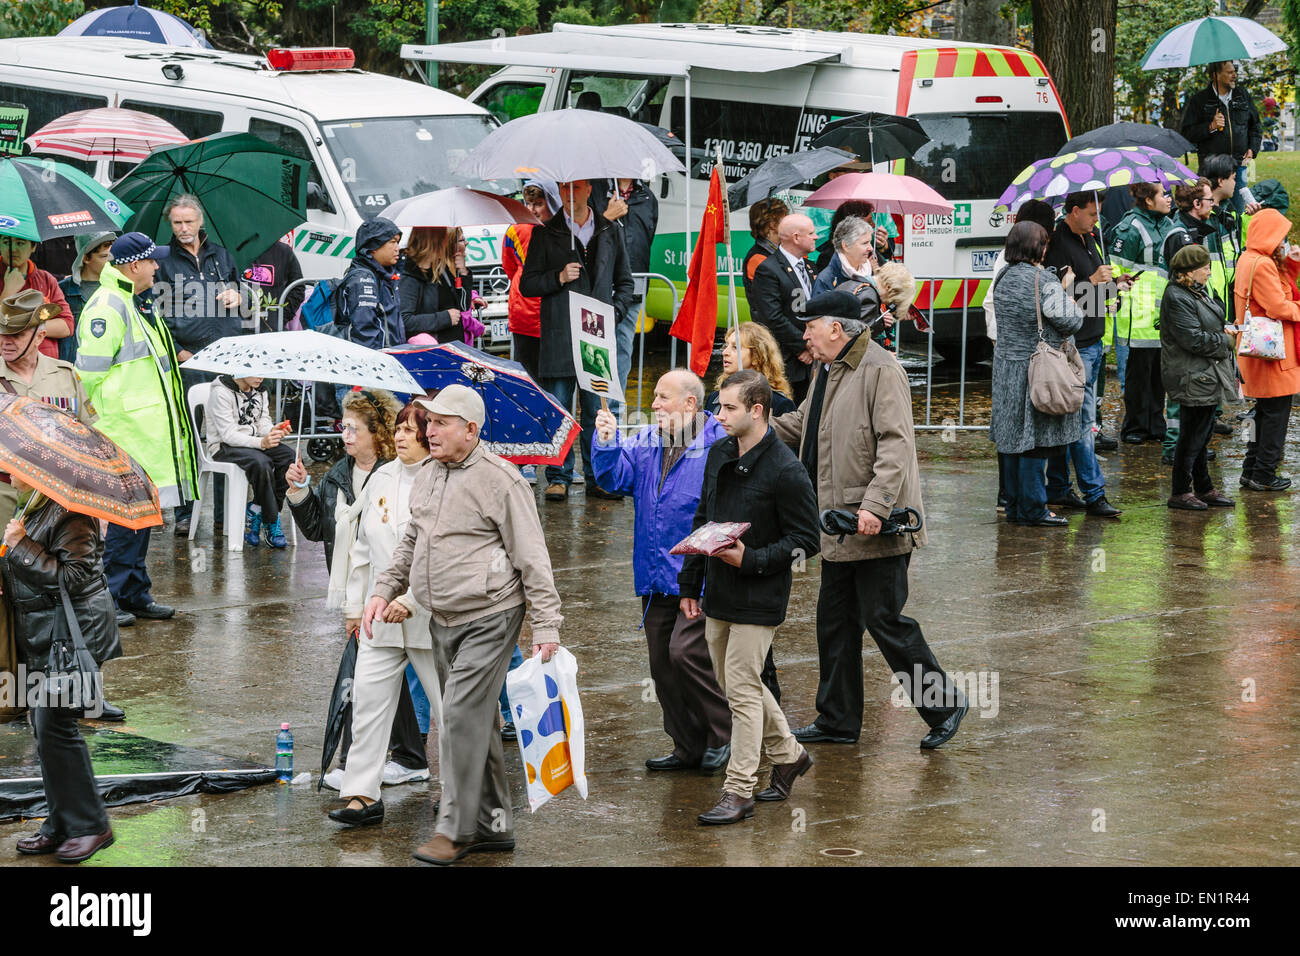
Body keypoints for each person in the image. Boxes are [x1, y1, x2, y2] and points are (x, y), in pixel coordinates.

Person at [364, 385, 565, 865]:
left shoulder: (503, 481)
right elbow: (411, 541)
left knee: (455, 717)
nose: (429, 431)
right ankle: (495, 826)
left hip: (491, 615)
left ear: (470, 430)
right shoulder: (431, 473)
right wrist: (382, 589)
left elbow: (532, 558)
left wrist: (546, 625)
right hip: (443, 617)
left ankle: (452, 829)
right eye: (427, 422)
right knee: (478, 724)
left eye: (440, 423)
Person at [770, 290, 967, 750]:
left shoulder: (881, 369)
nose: (805, 335)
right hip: (839, 525)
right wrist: (751, 427)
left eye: (810, 325)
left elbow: (896, 444)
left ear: (836, 328)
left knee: (884, 619)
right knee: (834, 623)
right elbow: (804, 424)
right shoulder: (828, 368)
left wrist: (875, 507)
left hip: (877, 523)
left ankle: (944, 703)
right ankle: (837, 720)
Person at [680, 370, 819, 825]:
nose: (718, 416)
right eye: (719, 407)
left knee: (740, 689)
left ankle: (739, 790)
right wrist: (690, 582)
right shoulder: (720, 451)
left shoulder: (786, 469)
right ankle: (790, 754)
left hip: (760, 595)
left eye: (728, 408)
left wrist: (754, 560)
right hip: (719, 590)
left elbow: (806, 540)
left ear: (757, 411)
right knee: (735, 682)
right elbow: (705, 516)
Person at [591, 370, 732, 774]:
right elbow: (613, 479)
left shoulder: (717, 445)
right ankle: (687, 744)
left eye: (663, 398)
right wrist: (605, 440)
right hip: (654, 575)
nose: (653, 405)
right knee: (661, 665)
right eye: (654, 397)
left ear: (690, 404)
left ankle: (724, 734)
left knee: (684, 652)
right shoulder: (648, 441)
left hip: (698, 576)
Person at [286, 389, 428, 788]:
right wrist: (299, 491)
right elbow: (318, 529)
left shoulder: (395, 473)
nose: (345, 435)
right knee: (373, 674)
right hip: (357, 593)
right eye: (342, 427)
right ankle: (398, 760)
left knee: (371, 676)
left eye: (353, 428)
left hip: (394, 594)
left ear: (375, 432)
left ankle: (371, 762)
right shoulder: (336, 475)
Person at [328, 401, 444, 827]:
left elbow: (438, 552)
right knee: (369, 702)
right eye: (397, 428)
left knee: (446, 708)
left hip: (428, 616)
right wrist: (355, 607)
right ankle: (361, 793)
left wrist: (411, 599)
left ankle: (452, 792)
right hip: (379, 614)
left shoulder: (441, 479)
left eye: (411, 430)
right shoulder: (382, 477)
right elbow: (362, 549)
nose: (401, 436)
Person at [76, 233, 197, 625]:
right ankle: (111, 595)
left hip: (145, 432)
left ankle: (134, 593)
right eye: (151, 262)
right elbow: (87, 377)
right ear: (133, 267)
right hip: (125, 431)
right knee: (127, 521)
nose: (157, 267)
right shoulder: (109, 306)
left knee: (143, 518)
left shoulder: (137, 302)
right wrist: (107, 421)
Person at [4, 474, 121, 864]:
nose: (10, 476)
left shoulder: (73, 514)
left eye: (15, 471)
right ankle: (62, 823)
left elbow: (72, 577)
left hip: (74, 635)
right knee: (45, 729)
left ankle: (92, 825)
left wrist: (21, 546)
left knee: (57, 725)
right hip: (45, 634)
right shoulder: (38, 504)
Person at [518, 178, 634, 502]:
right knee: (560, 408)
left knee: (597, 409)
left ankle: (599, 476)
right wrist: (557, 277)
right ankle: (559, 476)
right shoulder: (545, 232)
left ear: (588, 191)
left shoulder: (611, 230)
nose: (569, 195)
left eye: (576, 188)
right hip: (559, 334)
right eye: (563, 188)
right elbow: (527, 284)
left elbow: (624, 282)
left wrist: (614, 314)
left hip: (596, 332)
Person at [152, 195, 243, 537]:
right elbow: (154, 314)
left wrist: (239, 297)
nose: (184, 229)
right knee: (188, 437)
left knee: (226, 436)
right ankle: (185, 512)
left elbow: (243, 297)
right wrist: (176, 352)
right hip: (188, 359)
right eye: (177, 223)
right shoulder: (162, 261)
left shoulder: (222, 256)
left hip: (225, 357)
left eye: (189, 222)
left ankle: (223, 514)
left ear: (200, 220)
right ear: (170, 224)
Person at [989, 222, 1086, 527]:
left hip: (1006, 366)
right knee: (1034, 441)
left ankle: (1016, 506)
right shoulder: (1043, 280)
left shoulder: (1003, 276)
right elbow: (1070, 321)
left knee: (1012, 438)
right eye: (1044, 244)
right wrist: (1068, 294)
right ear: (1037, 247)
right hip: (1037, 368)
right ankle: (1035, 509)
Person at [1042, 192, 1123, 519]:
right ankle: (1094, 491)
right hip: (1074, 345)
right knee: (1081, 421)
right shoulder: (1060, 244)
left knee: (1070, 419)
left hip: (1093, 339)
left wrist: (1112, 291)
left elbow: (1093, 292)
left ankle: (1059, 487)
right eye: (1091, 214)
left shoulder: (1090, 238)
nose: (1096, 220)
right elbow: (1058, 300)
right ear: (1073, 211)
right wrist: (1092, 281)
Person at [985, 200, 1056, 512]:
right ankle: (1017, 499)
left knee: (1014, 429)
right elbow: (1069, 317)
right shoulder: (1016, 267)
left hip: (1015, 354)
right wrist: (999, 339)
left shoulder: (1022, 262)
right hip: (1021, 356)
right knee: (1018, 431)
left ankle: (1014, 498)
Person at [1158, 244, 1237, 510]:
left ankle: (1204, 487)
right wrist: (1225, 340)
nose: (1209, 271)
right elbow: (1191, 339)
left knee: (1202, 434)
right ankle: (1180, 491)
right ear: (1189, 271)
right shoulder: (1177, 296)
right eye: (1205, 267)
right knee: (1192, 435)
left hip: (1205, 372)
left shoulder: (1197, 292)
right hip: (1191, 374)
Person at [1233, 208, 1300, 491]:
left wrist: (1291, 262)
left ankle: (1252, 470)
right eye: (1282, 236)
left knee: (1262, 413)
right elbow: (1278, 305)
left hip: (1258, 348)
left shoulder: (1249, 258)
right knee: (1276, 415)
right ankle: (1263, 473)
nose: (1284, 241)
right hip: (1273, 352)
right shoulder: (1263, 265)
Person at [1159, 179, 1224, 466]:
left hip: (1196, 318)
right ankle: (1175, 448)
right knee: (1182, 398)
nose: (1214, 205)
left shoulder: (1195, 230)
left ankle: (1190, 449)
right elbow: (1181, 280)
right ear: (1197, 204)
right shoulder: (1181, 234)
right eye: (1210, 200)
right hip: (1182, 326)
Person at [1111, 182, 1175, 445]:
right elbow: (1116, 271)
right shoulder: (1130, 228)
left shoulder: (1167, 224)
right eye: (1163, 194)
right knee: (1138, 372)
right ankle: (1135, 426)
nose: (1168, 198)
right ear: (1148, 200)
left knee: (1159, 373)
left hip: (1161, 311)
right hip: (1137, 313)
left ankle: (1155, 424)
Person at [205, 373, 295, 548]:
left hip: (251, 443)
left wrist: (273, 430)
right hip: (223, 446)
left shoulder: (260, 390)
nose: (261, 377)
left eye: (263, 372)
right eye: (256, 372)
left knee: (288, 457)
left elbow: (262, 422)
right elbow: (228, 434)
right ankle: (271, 521)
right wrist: (261, 443)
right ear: (239, 370)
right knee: (262, 463)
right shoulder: (221, 392)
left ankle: (256, 510)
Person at [594, 178, 659, 395]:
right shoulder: (595, 190)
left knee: (623, 351)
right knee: (595, 355)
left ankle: (615, 418)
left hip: (633, 288)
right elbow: (582, 239)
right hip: (598, 287)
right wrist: (607, 218)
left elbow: (646, 240)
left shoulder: (648, 197)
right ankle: (596, 412)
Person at [750, 213, 819, 403]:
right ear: (796, 238)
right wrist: (803, 345)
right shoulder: (769, 270)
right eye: (811, 233)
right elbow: (772, 317)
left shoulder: (811, 267)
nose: (816, 237)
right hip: (788, 360)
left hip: (812, 358)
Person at [1180, 61, 1263, 214]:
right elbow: (1187, 133)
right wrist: (1210, 127)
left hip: (1239, 167)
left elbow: (1256, 126)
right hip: (1211, 170)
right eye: (1229, 72)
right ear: (1215, 75)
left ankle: (1235, 236)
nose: (1234, 75)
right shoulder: (1199, 100)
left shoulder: (1242, 95)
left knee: (1238, 212)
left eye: (1234, 71)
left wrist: (1252, 148)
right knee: (1210, 213)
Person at [811, 215, 899, 350]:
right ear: (846, 246)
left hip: (873, 349)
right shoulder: (827, 279)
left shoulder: (873, 269)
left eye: (870, 242)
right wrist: (876, 322)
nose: (870, 248)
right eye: (864, 243)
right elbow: (822, 324)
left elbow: (888, 305)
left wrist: (884, 314)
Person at [503, 180, 560, 382]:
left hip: (546, 313)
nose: (532, 210)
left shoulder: (562, 230)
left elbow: (510, 267)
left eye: (538, 204)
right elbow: (509, 265)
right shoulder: (516, 229)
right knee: (528, 377)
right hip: (525, 315)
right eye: (529, 204)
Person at [399, 227, 485, 345]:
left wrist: (463, 273)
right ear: (434, 241)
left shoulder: (441, 269)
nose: (449, 243)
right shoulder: (410, 275)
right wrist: (445, 318)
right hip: (432, 351)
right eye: (446, 238)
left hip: (455, 347)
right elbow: (405, 321)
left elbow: (463, 307)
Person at [1, 234, 74, 359]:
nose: (13, 249)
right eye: (6, 242)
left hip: (44, 365)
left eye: (20, 243)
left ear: (33, 247)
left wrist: (27, 327)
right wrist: (8, 291)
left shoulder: (46, 280)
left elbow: (67, 326)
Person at [704, 321, 796, 419]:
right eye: (726, 346)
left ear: (757, 355)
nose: (725, 352)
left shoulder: (780, 404)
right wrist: (691, 415)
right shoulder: (713, 398)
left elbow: (789, 432)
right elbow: (697, 432)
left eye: (735, 347)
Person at [337, 217, 404, 351]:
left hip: (393, 355)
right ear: (373, 247)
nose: (398, 248)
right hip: (377, 360)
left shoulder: (383, 275)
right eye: (392, 242)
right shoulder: (363, 280)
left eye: (398, 242)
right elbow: (364, 333)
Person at [56, 231, 116, 364]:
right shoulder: (62, 291)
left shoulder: (116, 289)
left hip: (107, 367)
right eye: (104, 256)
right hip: (72, 369)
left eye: (112, 255)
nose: (110, 261)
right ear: (86, 258)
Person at [812, 199, 894, 274]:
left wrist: (883, 247)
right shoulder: (828, 259)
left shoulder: (871, 254)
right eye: (869, 221)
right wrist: (865, 272)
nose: (873, 225)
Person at [243, 236, 306, 330]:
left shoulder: (284, 252)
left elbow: (298, 287)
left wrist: (280, 317)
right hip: (238, 327)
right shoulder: (235, 250)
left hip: (270, 329)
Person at [741, 198, 789, 303]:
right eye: (785, 218)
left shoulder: (781, 251)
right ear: (772, 224)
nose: (790, 222)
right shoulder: (757, 258)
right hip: (769, 318)